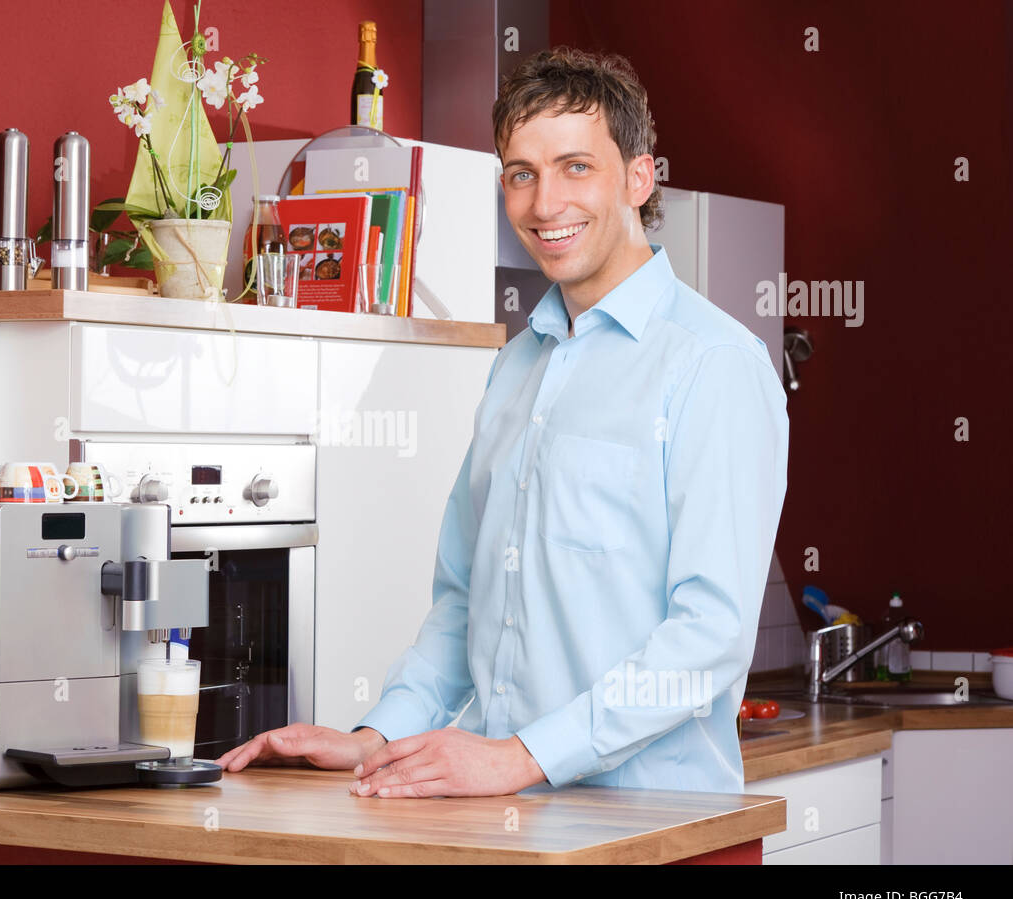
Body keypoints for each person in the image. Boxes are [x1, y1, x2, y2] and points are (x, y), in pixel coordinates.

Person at [217, 47, 788, 798]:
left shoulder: (715, 365)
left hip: (652, 828)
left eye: (575, 167)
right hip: (504, 822)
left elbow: (708, 637)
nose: (545, 203)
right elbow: (466, 601)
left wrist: (521, 755)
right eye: (521, 174)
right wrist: (374, 739)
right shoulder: (517, 366)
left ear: (640, 177)